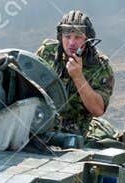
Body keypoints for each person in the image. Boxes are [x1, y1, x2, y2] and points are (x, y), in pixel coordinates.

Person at [36, 10, 115, 138]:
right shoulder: (47, 53)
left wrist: (78, 77)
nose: (72, 43)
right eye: (67, 37)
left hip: (75, 134)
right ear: (60, 37)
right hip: (40, 124)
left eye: (78, 37)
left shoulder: (100, 66)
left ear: (87, 40)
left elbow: (98, 110)